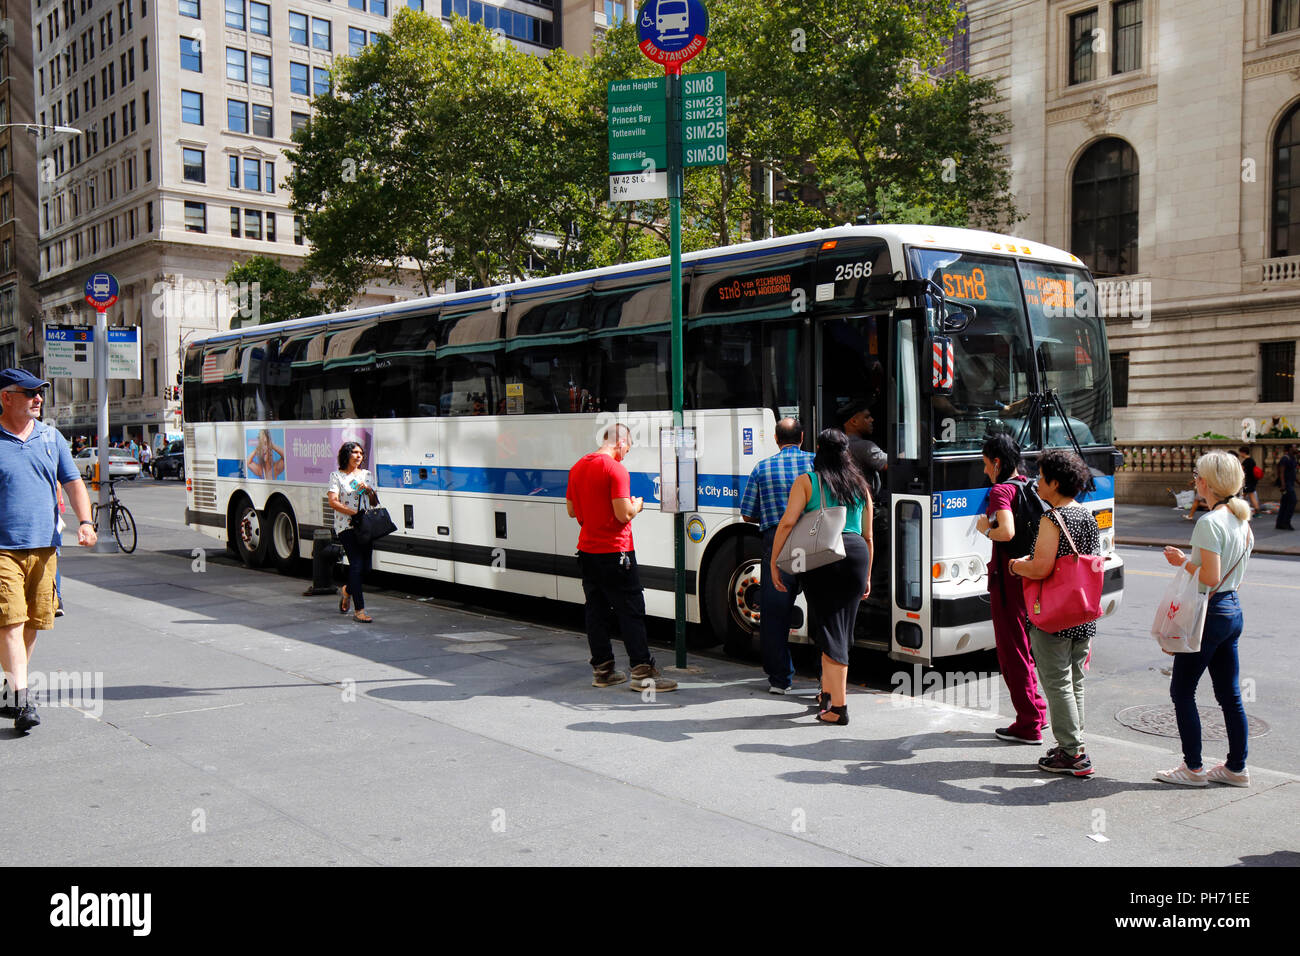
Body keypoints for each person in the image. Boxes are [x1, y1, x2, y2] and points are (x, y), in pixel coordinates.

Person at [0, 369, 97, 732]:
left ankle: (12, 690)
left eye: (40, 392)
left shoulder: (51, 437)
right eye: (29, 393)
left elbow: (73, 482)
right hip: (3, 548)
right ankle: (23, 700)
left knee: (31, 625)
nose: (38, 398)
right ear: (6, 397)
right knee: (10, 620)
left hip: (45, 547)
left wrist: (85, 522)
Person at [1156, 451, 1254, 787]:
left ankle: (1193, 768)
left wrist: (1182, 561)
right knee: (1230, 695)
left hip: (1210, 612)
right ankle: (1236, 768)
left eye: (1197, 475)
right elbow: (1228, 575)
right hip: (1232, 608)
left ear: (1207, 482)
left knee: (1182, 690)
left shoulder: (1209, 522)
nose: (1194, 480)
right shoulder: (1241, 519)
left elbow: (1209, 577)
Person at [1007, 449, 1100, 776]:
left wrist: (1017, 566)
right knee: (1075, 681)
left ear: (1056, 483)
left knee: (1058, 682)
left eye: (1042, 476)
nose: (1037, 482)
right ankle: (1074, 743)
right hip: (1082, 612)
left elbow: (1042, 567)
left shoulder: (1053, 518)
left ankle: (1072, 753)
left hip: (1054, 615)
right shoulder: (1086, 515)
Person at [770, 429, 872, 725]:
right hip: (855, 555)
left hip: (824, 556)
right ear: (846, 453)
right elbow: (868, 537)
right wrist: (866, 575)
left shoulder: (808, 482)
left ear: (817, 450)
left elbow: (788, 523)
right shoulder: (860, 485)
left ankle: (838, 708)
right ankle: (827, 696)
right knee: (836, 629)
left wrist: (777, 562)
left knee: (830, 631)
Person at [565, 423, 676, 693]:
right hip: (616, 552)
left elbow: (571, 510)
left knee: (596, 612)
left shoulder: (578, 467)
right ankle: (642, 672)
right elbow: (622, 514)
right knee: (631, 611)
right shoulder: (616, 470)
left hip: (588, 552)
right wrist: (637, 504)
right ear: (620, 442)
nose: (626, 453)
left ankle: (603, 671)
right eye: (627, 447)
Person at [975, 433, 1046, 745]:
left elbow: (1006, 531)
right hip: (1031, 576)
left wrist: (985, 528)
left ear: (998, 463)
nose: (985, 470)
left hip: (1008, 581)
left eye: (986, 464)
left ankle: (1028, 722)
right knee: (1026, 647)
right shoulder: (1030, 485)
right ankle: (1037, 711)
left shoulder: (1001, 490)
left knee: (1011, 651)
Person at [739, 417, 815, 694]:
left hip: (777, 543)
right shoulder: (815, 463)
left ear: (775, 439)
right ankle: (826, 678)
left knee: (775, 614)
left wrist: (770, 513)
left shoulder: (762, 468)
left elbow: (746, 513)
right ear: (802, 437)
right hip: (814, 540)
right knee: (821, 609)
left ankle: (780, 680)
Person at [328, 441, 379, 623]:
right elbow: (333, 501)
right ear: (347, 455)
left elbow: (373, 502)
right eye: (355, 453)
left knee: (366, 568)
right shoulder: (337, 476)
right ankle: (359, 610)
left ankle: (347, 590)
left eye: (361, 453)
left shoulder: (367, 475)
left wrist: (369, 490)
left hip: (365, 525)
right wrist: (352, 513)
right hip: (346, 526)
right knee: (356, 565)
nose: (359, 456)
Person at [836, 398, 887, 493]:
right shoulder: (866, 447)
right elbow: (890, 464)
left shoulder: (837, 445)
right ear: (854, 422)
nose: (872, 419)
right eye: (867, 417)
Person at [1275, 443, 1296, 530]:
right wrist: (1283, 485)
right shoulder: (1285, 458)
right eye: (1295, 447)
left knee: (1285, 503)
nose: (1296, 448)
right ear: (1290, 448)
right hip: (1287, 485)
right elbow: (1281, 472)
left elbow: (1293, 473)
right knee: (1292, 501)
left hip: (1290, 483)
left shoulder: (1293, 458)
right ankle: (1286, 522)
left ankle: (1280, 523)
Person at [1237, 446, 1259, 515]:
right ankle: (1240, 509)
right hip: (1252, 481)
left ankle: (1256, 510)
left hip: (1248, 481)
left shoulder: (1247, 461)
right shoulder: (1252, 460)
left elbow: (1240, 469)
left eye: (1240, 453)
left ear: (1243, 453)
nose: (1240, 455)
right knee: (1243, 495)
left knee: (1249, 496)